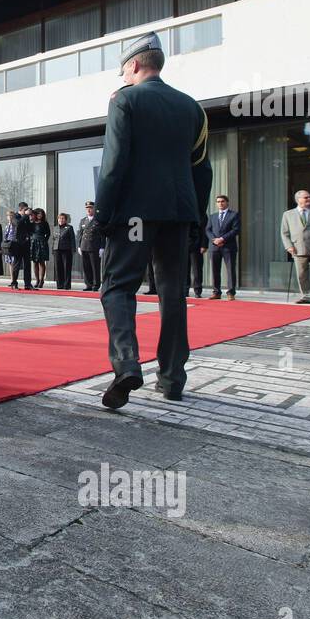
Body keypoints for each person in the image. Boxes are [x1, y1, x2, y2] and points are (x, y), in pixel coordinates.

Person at [94, 32, 211, 409]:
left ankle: (127, 364)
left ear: (133, 65)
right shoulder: (192, 108)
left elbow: (114, 164)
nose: (124, 78)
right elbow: (202, 170)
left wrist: (103, 214)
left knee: (117, 287)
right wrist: (197, 219)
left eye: (124, 72)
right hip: (178, 213)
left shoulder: (124, 99)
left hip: (135, 215)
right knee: (173, 293)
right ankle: (173, 377)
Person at [281, 190, 310, 305]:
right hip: (297, 248)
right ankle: (306, 296)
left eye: (309, 197)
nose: (309, 199)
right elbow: (284, 232)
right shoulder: (288, 214)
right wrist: (289, 246)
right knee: (301, 275)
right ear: (298, 199)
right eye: (306, 197)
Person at [206, 195, 240, 299]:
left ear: (227, 202)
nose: (220, 203)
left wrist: (222, 239)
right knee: (215, 270)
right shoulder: (212, 216)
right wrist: (214, 240)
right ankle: (216, 292)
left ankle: (231, 293)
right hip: (214, 247)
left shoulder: (234, 215)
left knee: (230, 270)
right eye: (218, 202)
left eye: (222, 201)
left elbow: (235, 230)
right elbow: (208, 230)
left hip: (228, 247)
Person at [78, 202, 104, 291]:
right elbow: (80, 234)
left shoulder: (98, 220)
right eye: (87, 208)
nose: (89, 210)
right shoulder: (83, 220)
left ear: (94, 209)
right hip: (84, 246)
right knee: (86, 267)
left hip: (94, 247)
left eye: (90, 208)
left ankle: (96, 285)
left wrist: (102, 247)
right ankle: (88, 285)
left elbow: (102, 235)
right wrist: (79, 246)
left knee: (95, 267)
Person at [9, 205, 32, 289]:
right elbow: (18, 224)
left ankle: (28, 284)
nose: (27, 212)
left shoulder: (26, 218)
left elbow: (29, 229)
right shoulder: (15, 216)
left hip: (26, 244)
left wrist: (29, 219)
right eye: (26, 210)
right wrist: (25, 216)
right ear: (21, 209)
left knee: (27, 264)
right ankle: (14, 282)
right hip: (17, 244)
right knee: (17, 264)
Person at [50, 212, 74, 290]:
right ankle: (59, 285)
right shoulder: (55, 228)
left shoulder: (69, 227)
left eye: (63, 218)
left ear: (66, 220)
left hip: (66, 250)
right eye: (60, 218)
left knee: (66, 267)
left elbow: (72, 239)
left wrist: (73, 250)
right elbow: (53, 239)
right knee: (58, 267)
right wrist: (53, 249)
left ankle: (67, 285)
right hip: (57, 250)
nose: (61, 220)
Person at [29, 208, 51, 289]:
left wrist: (44, 240)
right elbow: (29, 232)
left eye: (41, 214)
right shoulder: (32, 223)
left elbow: (48, 233)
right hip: (33, 243)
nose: (39, 215)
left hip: (42, 243)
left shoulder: (45, 223)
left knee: (41, 262)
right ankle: (37, 280)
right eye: (38, 213)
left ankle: (42, 280)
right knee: (35, 262)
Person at [187, 221, 208, 298]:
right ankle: (185, 290)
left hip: (197, 246)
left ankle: (197, 291)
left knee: (197, 270)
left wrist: (204, 245)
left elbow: (205, 231)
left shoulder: (201, 215)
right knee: (185, 270)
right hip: (185, 245)